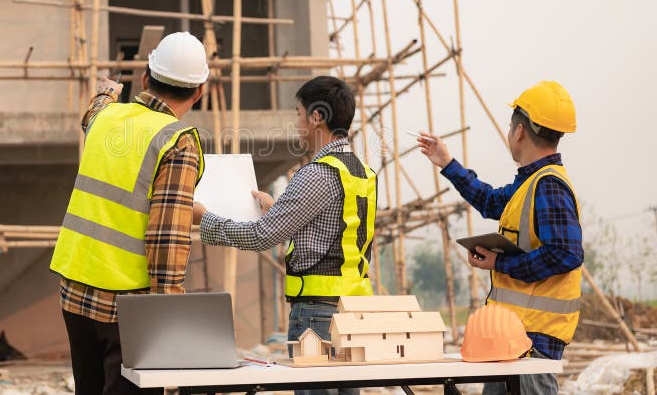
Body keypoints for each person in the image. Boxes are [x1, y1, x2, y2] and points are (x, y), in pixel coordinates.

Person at [194, 75, 377, 395]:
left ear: (317, 116)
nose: (296, 121)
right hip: (353, 312)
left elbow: (262, 236)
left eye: (298, 113)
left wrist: (205, 219)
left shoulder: (316, 173)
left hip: (317, 317)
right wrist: (280, 209)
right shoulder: (361, 172)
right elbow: (333, 230)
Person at [50, 32, 208, 395]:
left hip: (74, 292)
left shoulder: (106, 119)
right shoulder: (177, 141)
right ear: (198, 92)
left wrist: (107, 90)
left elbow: (91, 113)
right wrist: (167, 320)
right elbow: (166, 237)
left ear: (145, 79)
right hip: (128, 309)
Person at [417, 81, 582, 395]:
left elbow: (565, 254)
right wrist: (447, 163)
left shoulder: (548, 184)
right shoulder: (531, 184)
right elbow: (490, 201)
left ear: (519, 131)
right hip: (513, 341)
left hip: (532, 343)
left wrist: (501, 262)